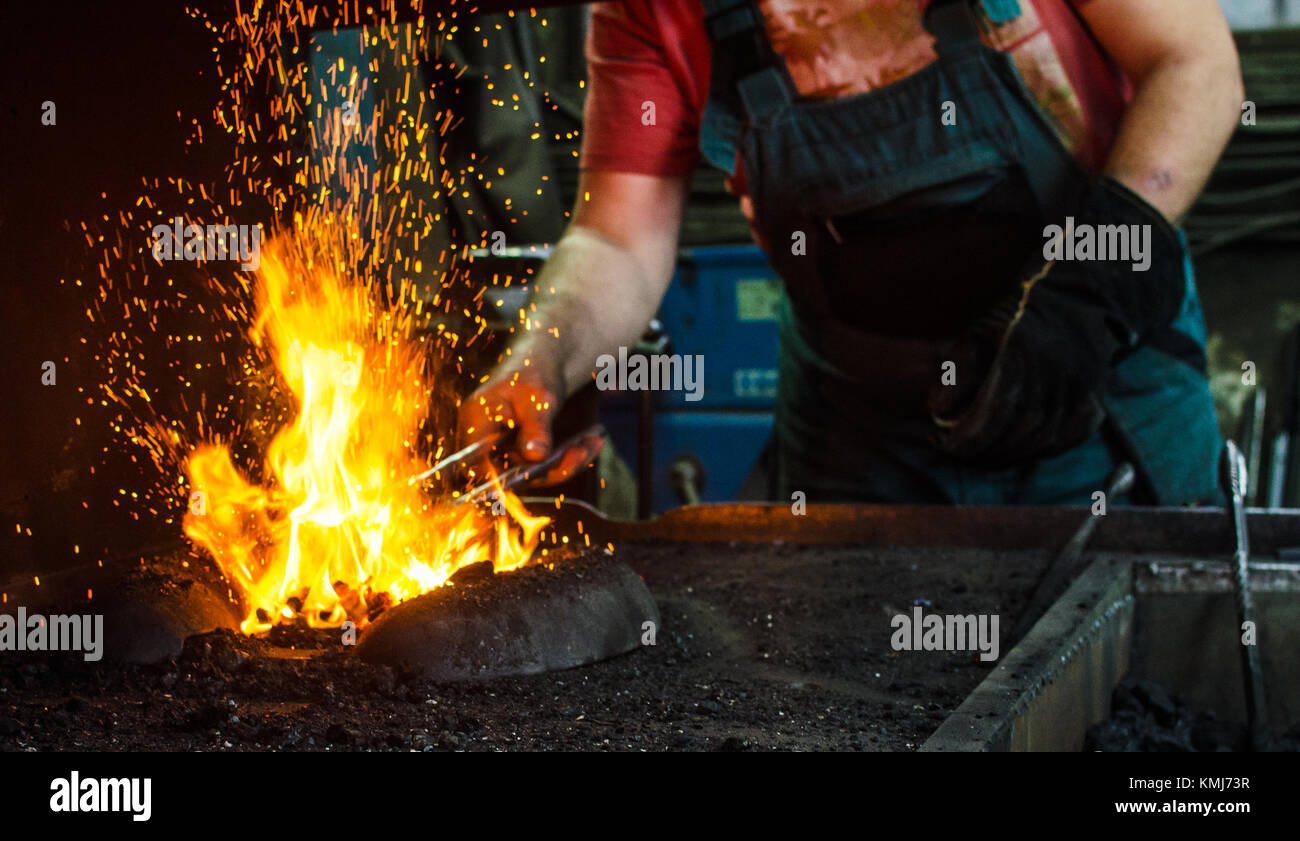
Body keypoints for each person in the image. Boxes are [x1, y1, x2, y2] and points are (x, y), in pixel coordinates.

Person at [459, 0, 1244, 506]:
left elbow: (1194, 64)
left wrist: (1087, 303)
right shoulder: (654, 11)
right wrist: (542, 359)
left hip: (1096, 395)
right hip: (861, 444)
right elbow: (617, 239)